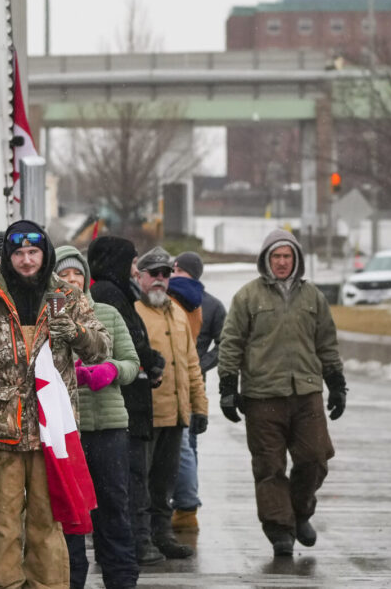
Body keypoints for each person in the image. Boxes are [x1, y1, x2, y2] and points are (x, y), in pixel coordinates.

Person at [0, 221, 110, 589]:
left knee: (46, 521)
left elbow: (102, 347)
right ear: (8, 254)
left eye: (33, 253)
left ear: (45, 254)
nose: (26, 261)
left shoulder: (66, 294)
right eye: (18, 253)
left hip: (50, 428)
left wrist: (75, 332)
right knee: (1, 523)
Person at [217, 229, 345, 558]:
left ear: (297, 260)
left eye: (288, 256)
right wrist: (228, 387)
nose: (282, 262)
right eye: (276, 256)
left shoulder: (313, 297)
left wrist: (336, 383)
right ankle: (280, 529)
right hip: (263, 396)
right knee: (269, 466)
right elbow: (231, 342)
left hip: (306, 392)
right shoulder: (248, 297)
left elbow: (327, 342)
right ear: (266, 260)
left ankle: (300, 512)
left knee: (315, 458)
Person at [54, 246, 141, 589]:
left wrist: (110, 370)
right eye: (64, 274)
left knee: (114, 507)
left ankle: (121, 579)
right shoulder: (49, 315)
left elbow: (133, 364)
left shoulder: (107, 313)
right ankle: (71, 578)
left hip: (108, 428)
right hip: (66, 430)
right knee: (70, 512)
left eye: (77, 273)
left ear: (87, 277)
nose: (72, 280)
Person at [85, 236, 165, 566]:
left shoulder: (119, 294)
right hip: (122, 406)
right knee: (127, 480)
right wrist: (149, 358)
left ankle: (136, 542)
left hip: (131, 402)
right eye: (132, 262)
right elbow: (125, 345)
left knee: (134, 477)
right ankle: (133, 545)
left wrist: (150, 361)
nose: (136, 270)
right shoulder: (109, 295)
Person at [131, 247, 207, 561]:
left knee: (165, 482)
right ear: (141, 276)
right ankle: (142, 539)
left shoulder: (177, 312)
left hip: (176, 414)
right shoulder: (133, 311)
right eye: (154, 274)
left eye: (165, 274)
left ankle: (162, 535)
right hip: (146, 415)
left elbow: (191, 364)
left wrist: (199, 407)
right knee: (142, 482)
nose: (160, 280)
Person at [168, 251, 224, 533]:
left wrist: (200, 362)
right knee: (186, 443)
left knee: (186, 443)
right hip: (187, 377)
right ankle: (184, 504)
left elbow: (224, 342)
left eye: (177, 268)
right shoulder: (167, 297)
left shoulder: (210, 305)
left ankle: (184, 504)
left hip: (191, 379)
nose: (173, 272)